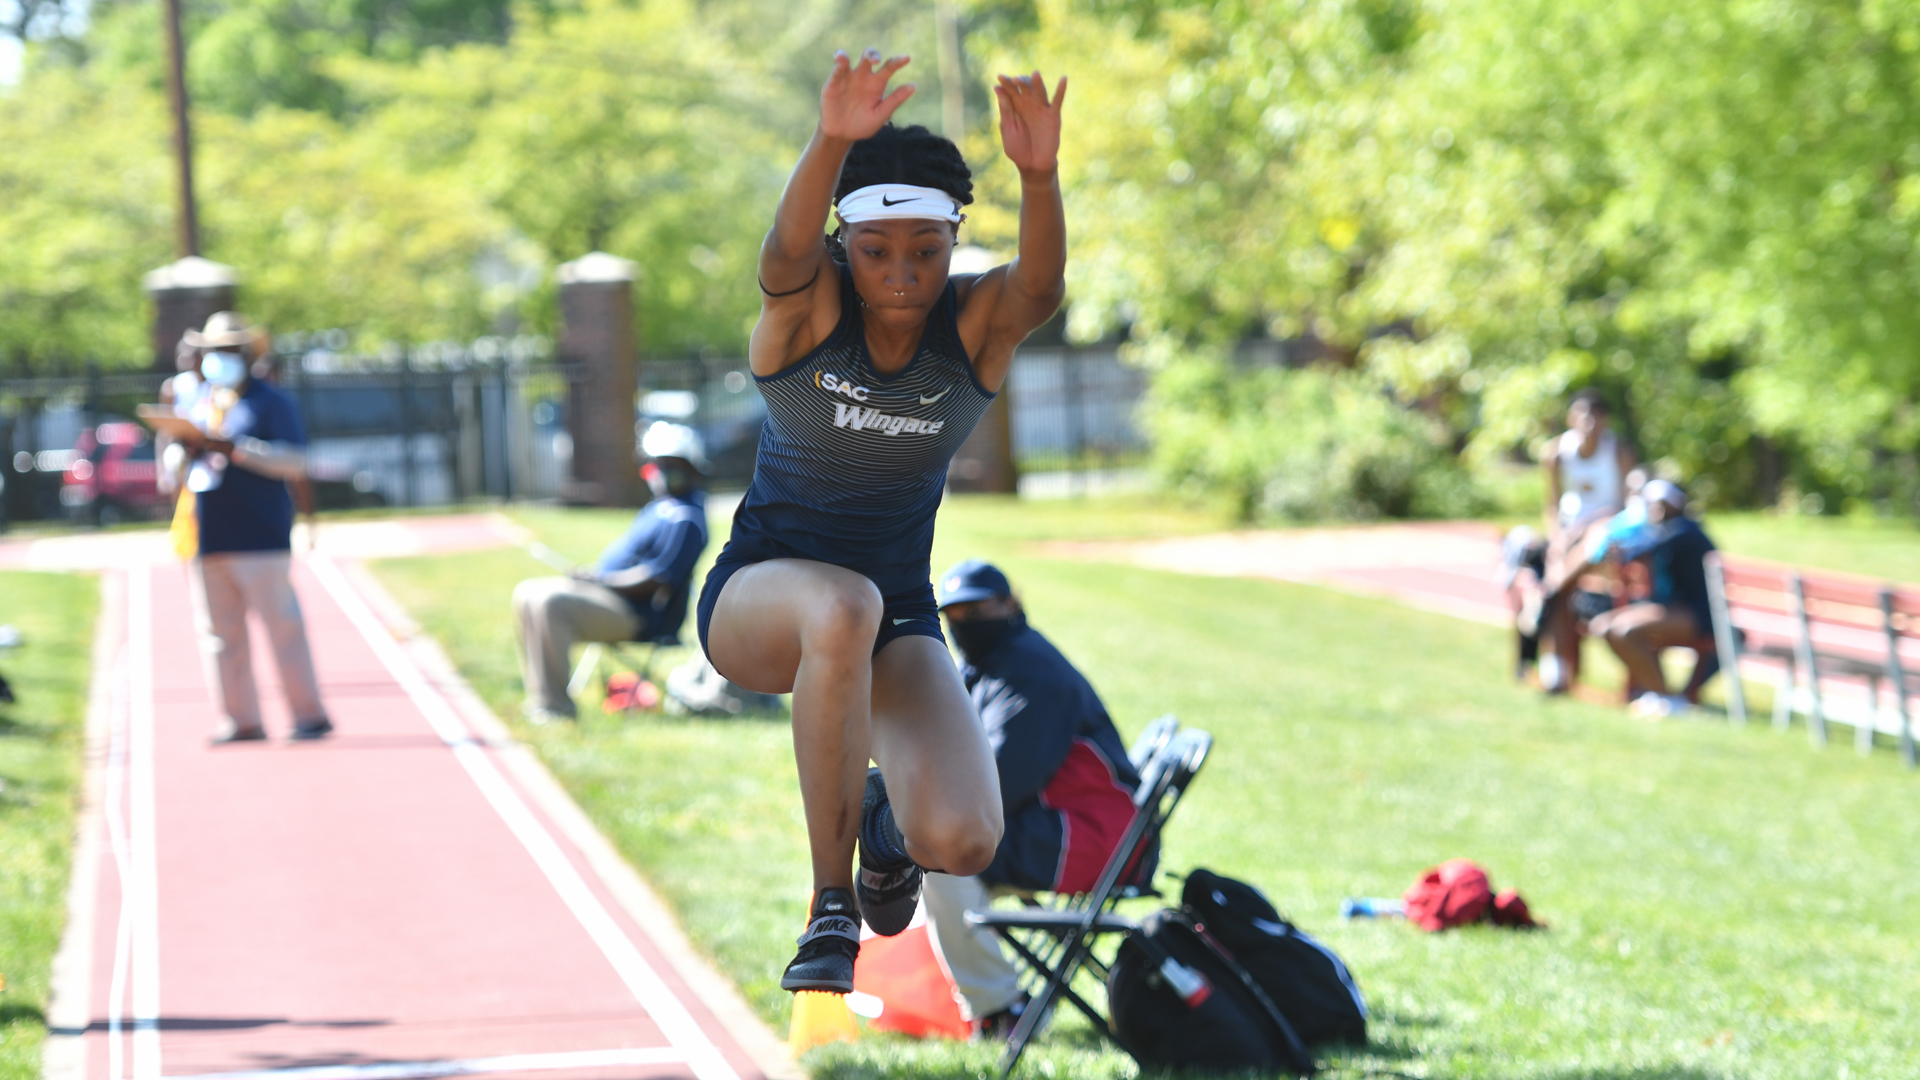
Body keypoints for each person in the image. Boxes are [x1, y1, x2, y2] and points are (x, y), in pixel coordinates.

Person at [696, 48, 1068, 993]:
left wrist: (1038, 175)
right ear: (843, 248)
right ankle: (829, 908)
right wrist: (831, 139)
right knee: (841, 605)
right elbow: (781, 260)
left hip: (894, 613)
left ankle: (887, 829)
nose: (902, 272)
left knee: (964, 837)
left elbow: (1040, 289)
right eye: (876, 252)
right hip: (760, 598)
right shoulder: (812, 309)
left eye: (926, 252)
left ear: (952, 245)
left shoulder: (971, 327)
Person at [923, 560, 1144, 1036]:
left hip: (1095, 836)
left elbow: (998, 785)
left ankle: (1003, 1009)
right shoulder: (996, 661)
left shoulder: (1029, 672)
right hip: (1065, 824)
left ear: (1011, 603)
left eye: (979, 608)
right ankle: (996, 998)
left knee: (941, 856)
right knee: (931, 849)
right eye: (955, 615)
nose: (966, 623)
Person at [162, 312, 330, 743]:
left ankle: (308, 715)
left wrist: (237, 450)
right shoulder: (200, 401)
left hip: (261, 536)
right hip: (210, 534)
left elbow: (294, 461)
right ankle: (241, 719)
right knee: (220, 636)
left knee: (282, 628)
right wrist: (180, 448)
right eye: (214, 351)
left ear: (246, 354)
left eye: (229, 350)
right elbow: (174, 472)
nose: (220, 359)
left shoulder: (271, 402)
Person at [511, 421, 711, 723]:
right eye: (657, 465)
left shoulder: (687, 520)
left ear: (693, 469)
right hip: (611, 597)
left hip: (639, 615)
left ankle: (555, 709)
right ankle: (540, 698)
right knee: (527, 593)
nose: (662, 473)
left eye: (673, 465)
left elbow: (657, 579)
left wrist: (602, 580)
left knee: (550, 602)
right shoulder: (658, 509)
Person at [1557, 479, 1717, 717]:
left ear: (1675, 505)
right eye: (1650, 503)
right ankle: (1661, 693)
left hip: (1698, 615)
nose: (1653, 508)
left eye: (1660, 503)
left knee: (1625, 631)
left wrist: (1610, 547)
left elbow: (1641, 548)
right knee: (1604, 626)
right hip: (1670, 609)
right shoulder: (1662, 530)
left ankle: (1669, 699)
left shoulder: (1684, 530)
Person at [1539, 389, 1637, 692]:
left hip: (1606, 530)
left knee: (1559, 580)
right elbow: (1551, 504)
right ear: (1571, 418)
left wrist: (1597, 525)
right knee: (1561, 576)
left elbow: (1628, 504)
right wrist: (1556, 535)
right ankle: (1559, 666)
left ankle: (1545, 595)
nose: (1588, 422)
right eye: (1582, 415)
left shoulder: (1618, 450)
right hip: (1571, 532)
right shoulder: (1556, 453)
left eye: (1595, 415)